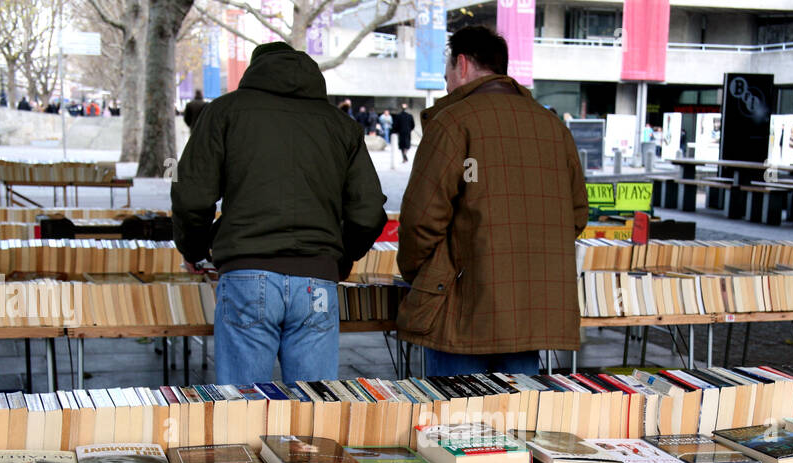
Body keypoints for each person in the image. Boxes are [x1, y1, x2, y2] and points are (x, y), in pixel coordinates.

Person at [172, 41, 386, 385]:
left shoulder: (224, 113)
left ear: (254, 71)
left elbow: (190, 195)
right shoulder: (340, 125)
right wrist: (340, 258)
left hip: (246, 274)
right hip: (316, 279)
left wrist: (195, 250)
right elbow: (369, 210)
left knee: (242, 406)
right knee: (313, 410)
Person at [396, 26, 588, 377]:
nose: (447, 84)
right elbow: (576, 214)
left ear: (463, 64)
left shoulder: (453, 121)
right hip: (530, 309)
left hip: (462, 304)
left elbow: (421, 219)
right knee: (517, 421)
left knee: (454, 421)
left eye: (447, 74)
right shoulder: (552, 126)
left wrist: (421, 273)